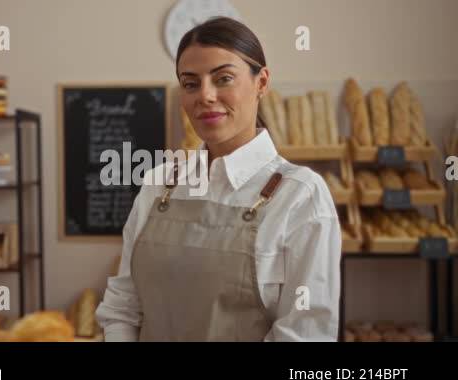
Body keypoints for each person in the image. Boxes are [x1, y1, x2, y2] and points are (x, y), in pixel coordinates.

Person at [95, 17, 341, 341]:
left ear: (261, 82)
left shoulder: (301, 197)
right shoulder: (158, 184)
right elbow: (122, 309)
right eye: (191, 83)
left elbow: (303, 334)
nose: (206, 96)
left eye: (223, 78)